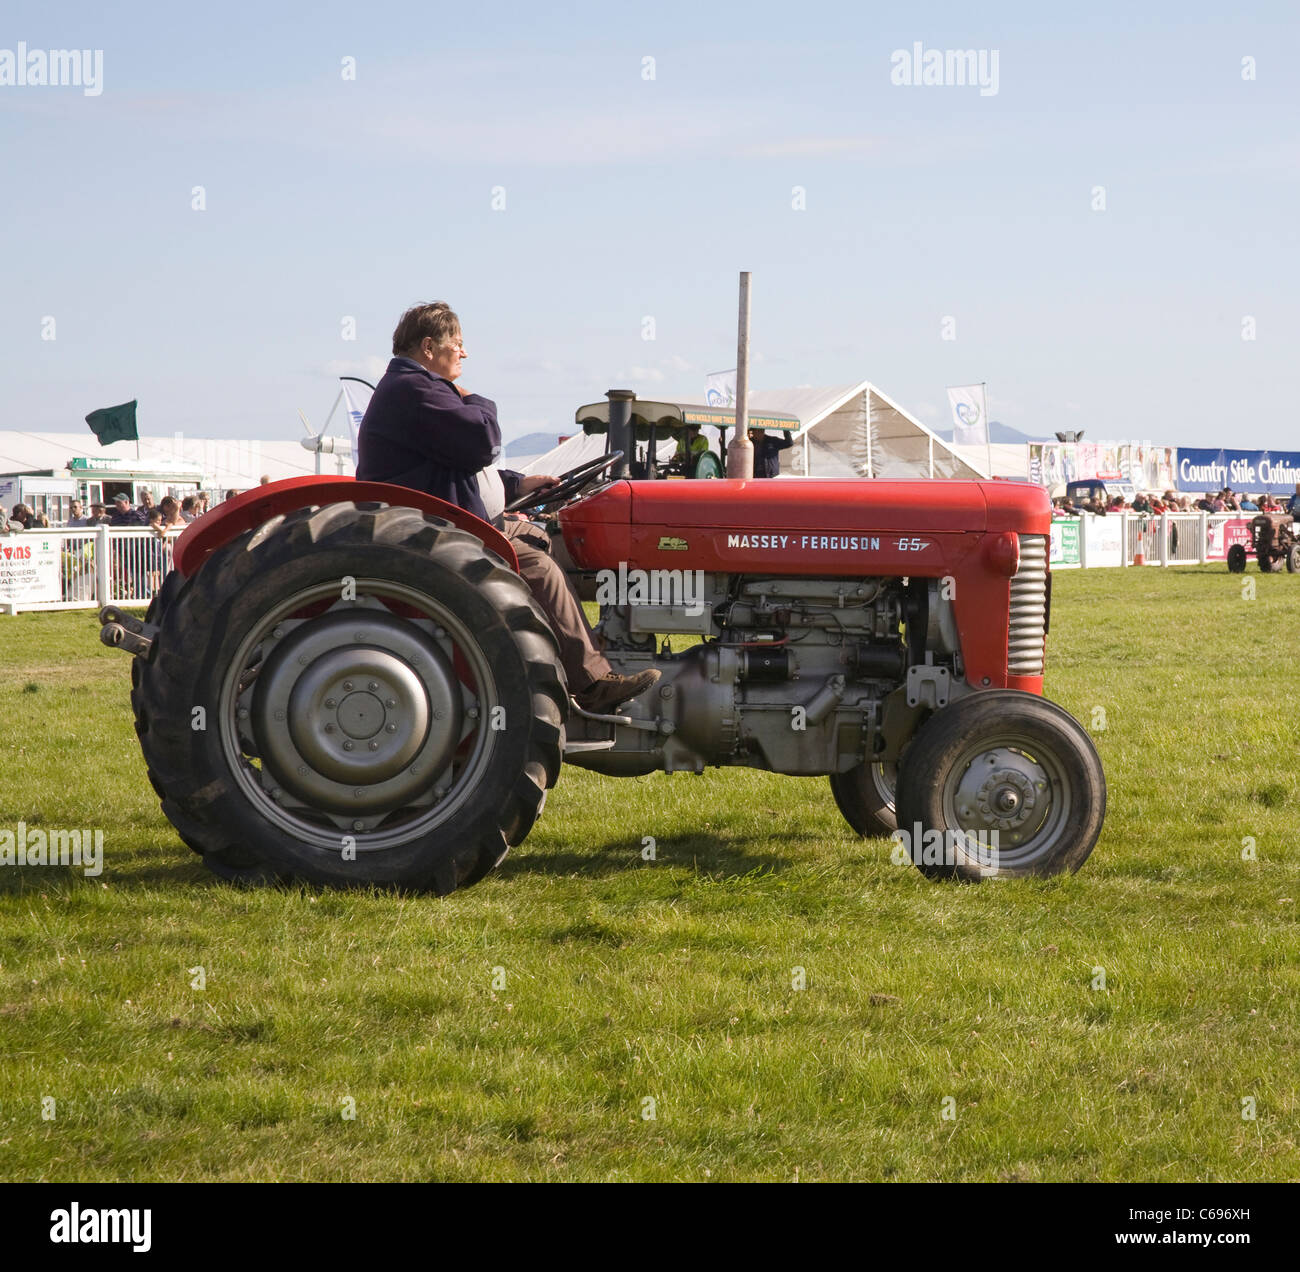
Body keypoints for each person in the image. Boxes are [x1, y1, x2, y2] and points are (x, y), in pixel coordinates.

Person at [357, 301, 660, 713]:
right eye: (458, 344)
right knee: (538, 567)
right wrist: (479, 400)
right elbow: (482, 442)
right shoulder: (416, 390)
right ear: (429, 347)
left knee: (554, 539)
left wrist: (519, 483)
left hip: (461, 518)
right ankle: (590, 682)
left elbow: (456, 467)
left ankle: (593, 650)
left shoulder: (415, 390)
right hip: (436, 532)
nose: (464, 354)